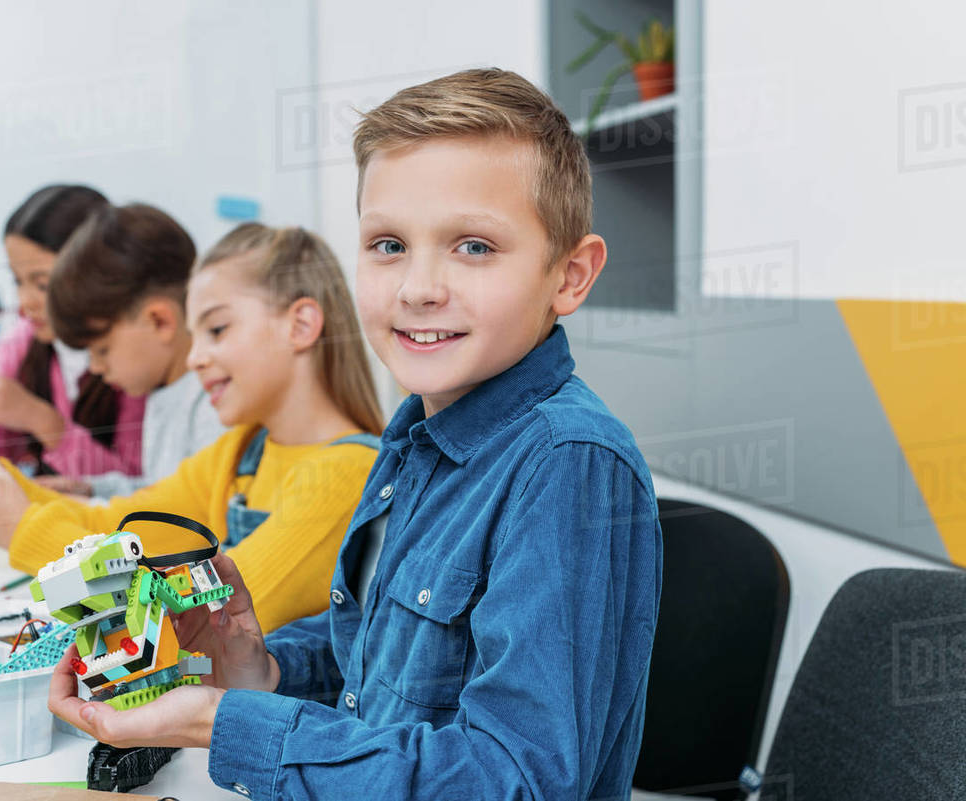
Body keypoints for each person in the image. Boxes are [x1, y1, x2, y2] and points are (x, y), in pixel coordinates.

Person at [47, 68, 664, 801]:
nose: (418, 287)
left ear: (570, 274)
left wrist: (224, 721)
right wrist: (261, 670)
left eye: (473, 246)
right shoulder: (413, 437)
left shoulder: (565, 465)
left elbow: (516, 781)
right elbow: (382, 678)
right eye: (388, 244)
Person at [0, 222, 385, 634]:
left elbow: (203, 622)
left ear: (300, 326)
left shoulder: (346, 474)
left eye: (216, 330)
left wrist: (14, 528)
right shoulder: (242, 449)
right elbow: (116, 527)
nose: (195, 357)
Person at [0, 184, 144, 479]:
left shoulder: (136, 355)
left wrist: (46, 424)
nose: (24, 303)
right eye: (17, 282)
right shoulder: (22, 341)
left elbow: (142, 491)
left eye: (42, 285)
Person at [35, 202, 225, 498]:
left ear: (159, 321)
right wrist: (90, 490)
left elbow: (188, 520)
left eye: (102, 350)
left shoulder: (214, 405)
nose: (96, 368)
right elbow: (161, 491)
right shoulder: (165, 389)